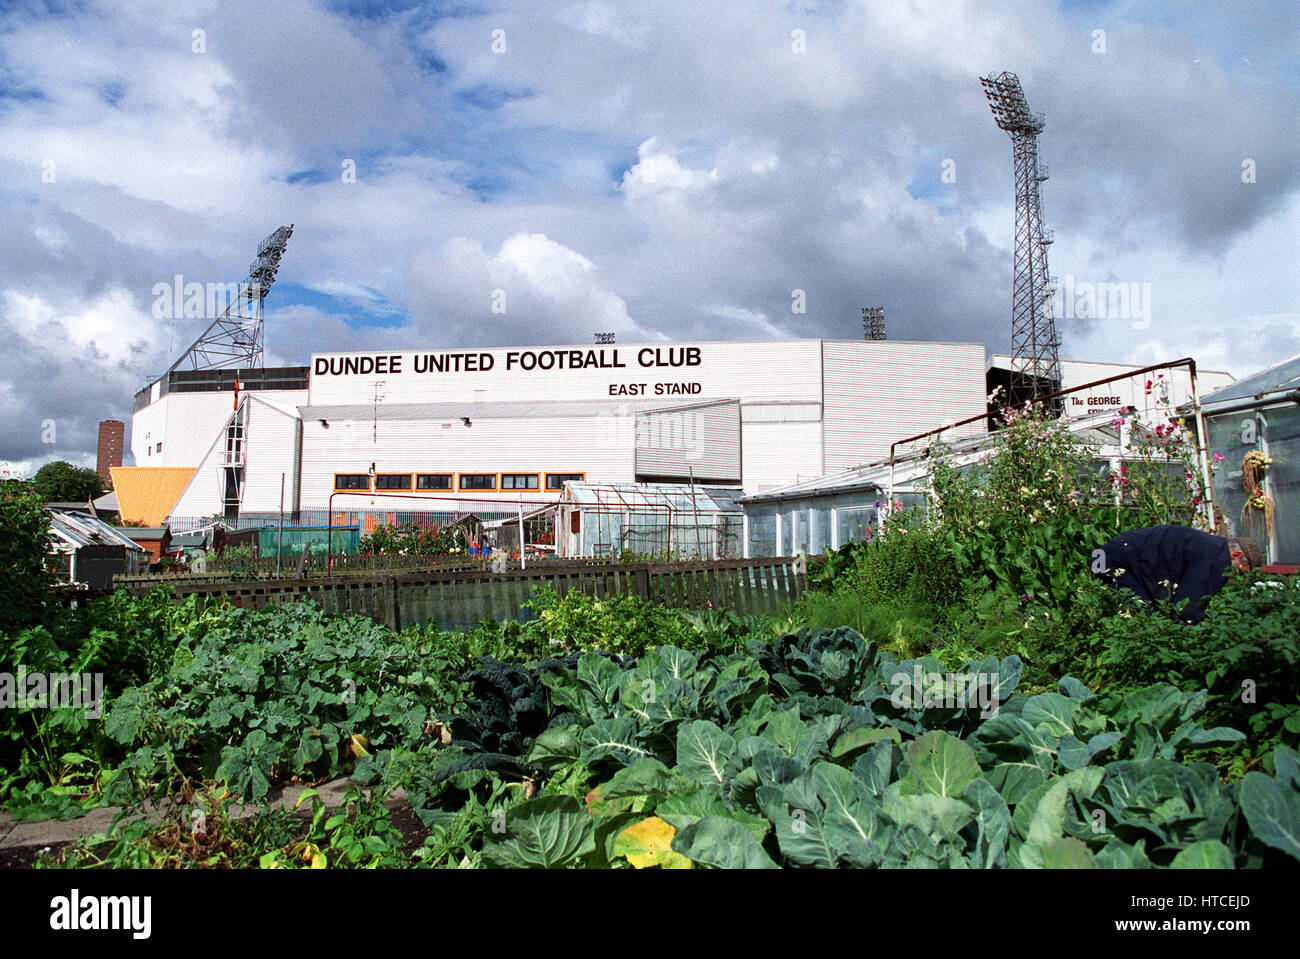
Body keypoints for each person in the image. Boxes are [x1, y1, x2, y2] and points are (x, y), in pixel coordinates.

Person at [1093, 525, 1263, 624]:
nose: (1235, 578)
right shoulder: (1217, 559)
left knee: (1146, 614)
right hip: (1115, 559)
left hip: (1110, 554)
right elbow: (1188, 605)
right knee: (1146, 621)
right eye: (1239, 572)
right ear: (1236, 556)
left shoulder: (1212, 548)